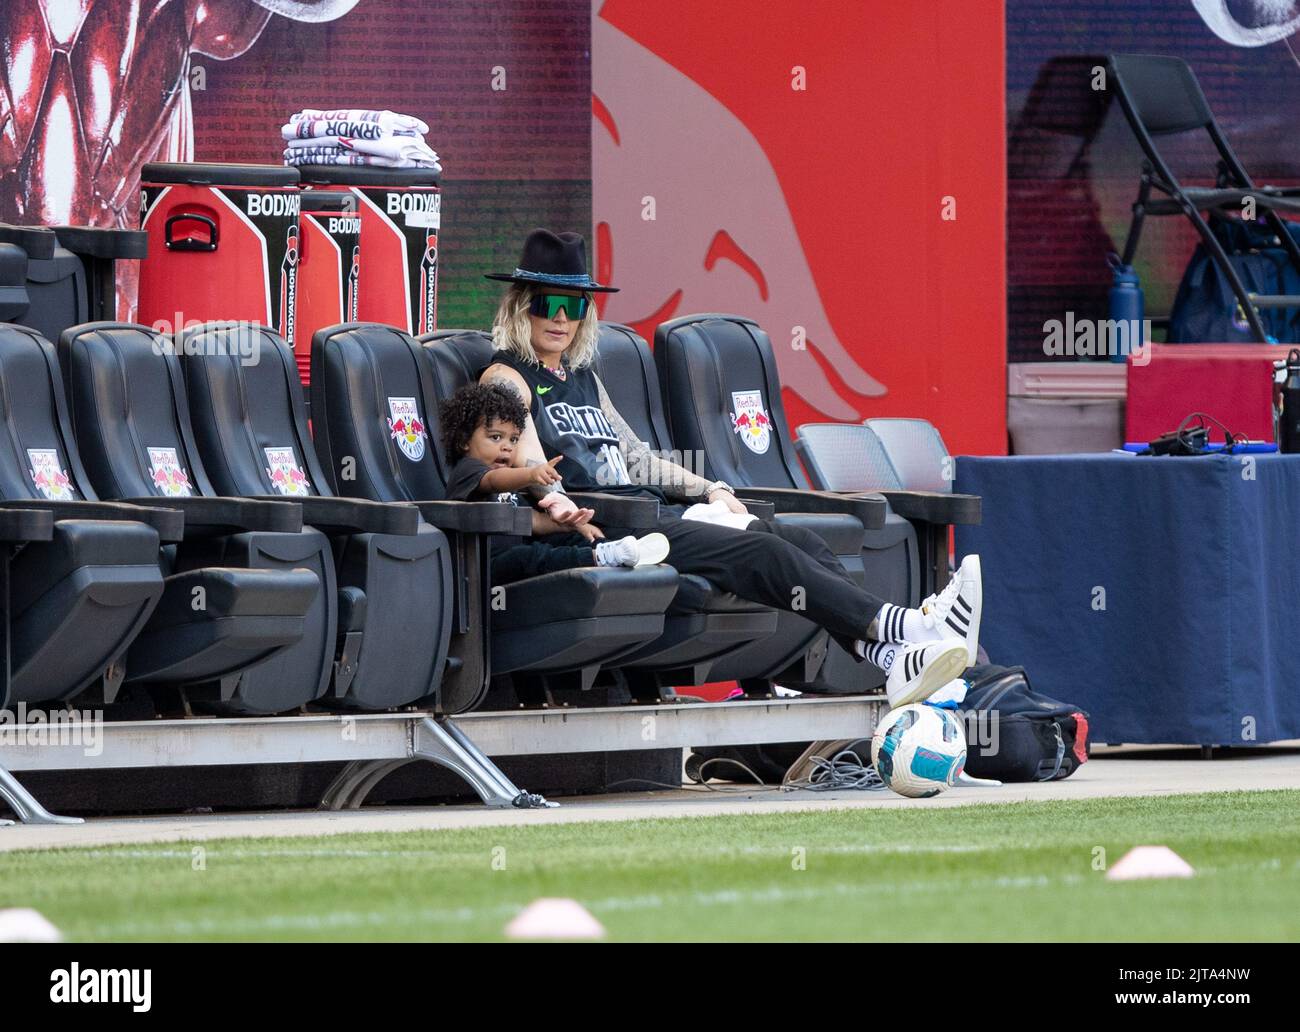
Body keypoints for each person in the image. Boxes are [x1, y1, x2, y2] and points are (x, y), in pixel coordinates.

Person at [479, 228, 982, 707]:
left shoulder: (582, 374)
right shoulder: (507, 375)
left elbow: (636, 457)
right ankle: (904, 628)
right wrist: (558, 501)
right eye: (548, 303)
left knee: (801, 541)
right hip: (607, 525)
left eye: (575, 305)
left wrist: (711, 488)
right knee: (762, 551)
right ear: (521, 307)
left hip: (648, 512)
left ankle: (888, 657)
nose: (561, 318)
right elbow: (526, 460)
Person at [441, 379, 670, 583]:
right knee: (530, 556)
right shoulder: (468, 470)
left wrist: (574, 526)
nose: (507, 446)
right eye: (495, 437)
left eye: (513, 439)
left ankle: (607, 551)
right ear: (463, 441)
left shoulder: (508, 487)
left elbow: (534, 522)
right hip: (482, 568)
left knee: (563, 539)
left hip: (513, 558)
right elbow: (493, 481)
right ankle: (602, 556)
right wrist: (530, 474)